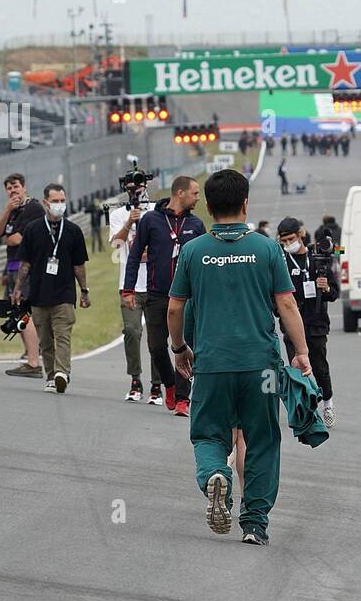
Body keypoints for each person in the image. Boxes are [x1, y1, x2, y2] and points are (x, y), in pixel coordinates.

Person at [167, 169, 313, 545]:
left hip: (211, 363)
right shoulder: (267, 249)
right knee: (262, 439)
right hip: (261, 366)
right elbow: (287, 304)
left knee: (207, 433)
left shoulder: (193, 251)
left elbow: (174, 308)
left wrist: (180, 349)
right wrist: (301, 353)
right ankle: (254, 524)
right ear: (245, 203)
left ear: (208, 206)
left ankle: (215, 474)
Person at [124, 176, 206, 418]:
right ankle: (169, 384)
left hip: (187, 298)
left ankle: (182, 398)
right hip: (157, 294)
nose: (198, 198)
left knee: (184, 347)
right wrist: (128, 289)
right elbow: (134, 254)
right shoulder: (151, 220)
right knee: (156, 347)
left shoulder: (196, 225)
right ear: (180, 193)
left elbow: (204, 261)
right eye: (195, 193)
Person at [11, 183, 90, 393]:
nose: (59, 204)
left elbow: (79, 265)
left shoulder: (73, 230)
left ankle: (62, 372)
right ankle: (51, 375)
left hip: (64, 293)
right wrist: (18, 288)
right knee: (45, 340)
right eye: (55, 201)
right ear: (46, 203)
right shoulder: (33, 229)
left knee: (62, 334)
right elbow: (25, 263)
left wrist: (84, 290)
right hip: (38, 293)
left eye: (62, 200)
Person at [276, 217, 339, 426]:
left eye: (291, 239)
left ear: (300, 235)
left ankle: (327, 403)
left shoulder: (318, 258)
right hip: (292, 324)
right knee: (296, 369)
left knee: (320, 367)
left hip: (316, 322)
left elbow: (334, 293)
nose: (288, 244)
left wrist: (326, 287)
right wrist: (280, 311)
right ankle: (304, 410)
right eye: (284, 241)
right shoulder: (281, 262)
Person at [109, 177, 163, 405]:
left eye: (139, 187)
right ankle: (135, 379)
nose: (135, 192)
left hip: (154, 284)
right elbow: (116, 245)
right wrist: (129, 223)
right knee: (131, 331)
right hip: (129, 285)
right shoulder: (117, 214)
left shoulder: (157, 211)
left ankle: (157, 385)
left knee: (156, 337)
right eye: (131, 188)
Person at [0, 173, 46, 379]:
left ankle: (34, 362)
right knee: (16, 313)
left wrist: (7, 237)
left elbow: (16, 239)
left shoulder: (33, 208)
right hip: (12, 266)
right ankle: (30, 355)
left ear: (23, 187)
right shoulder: (12, 210)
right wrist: (7, 210)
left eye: (15, 186)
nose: (13, 191)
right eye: (9, 188)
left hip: (27, 268)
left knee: (24, 312)